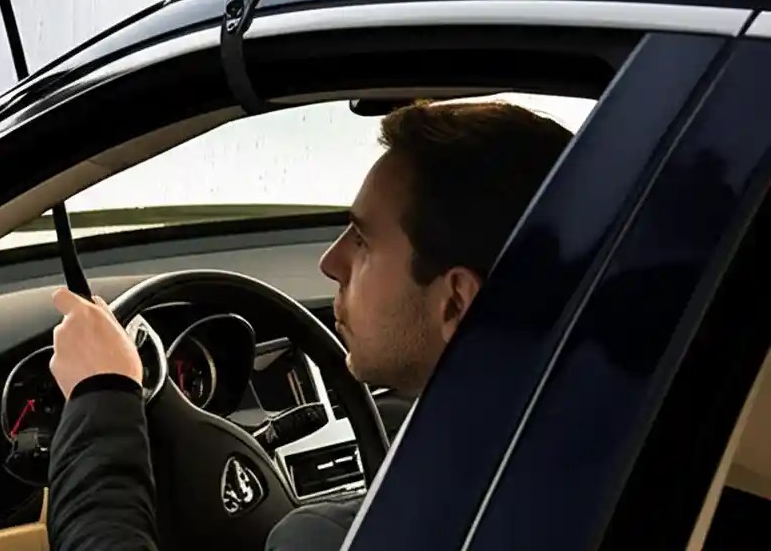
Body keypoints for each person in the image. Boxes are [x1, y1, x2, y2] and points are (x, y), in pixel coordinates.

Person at [44, 100, 575, 550]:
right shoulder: (574, 451)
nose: (330, 261)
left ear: (455, 302)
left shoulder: (334, 537)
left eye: (363, 242)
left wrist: (102, 396)